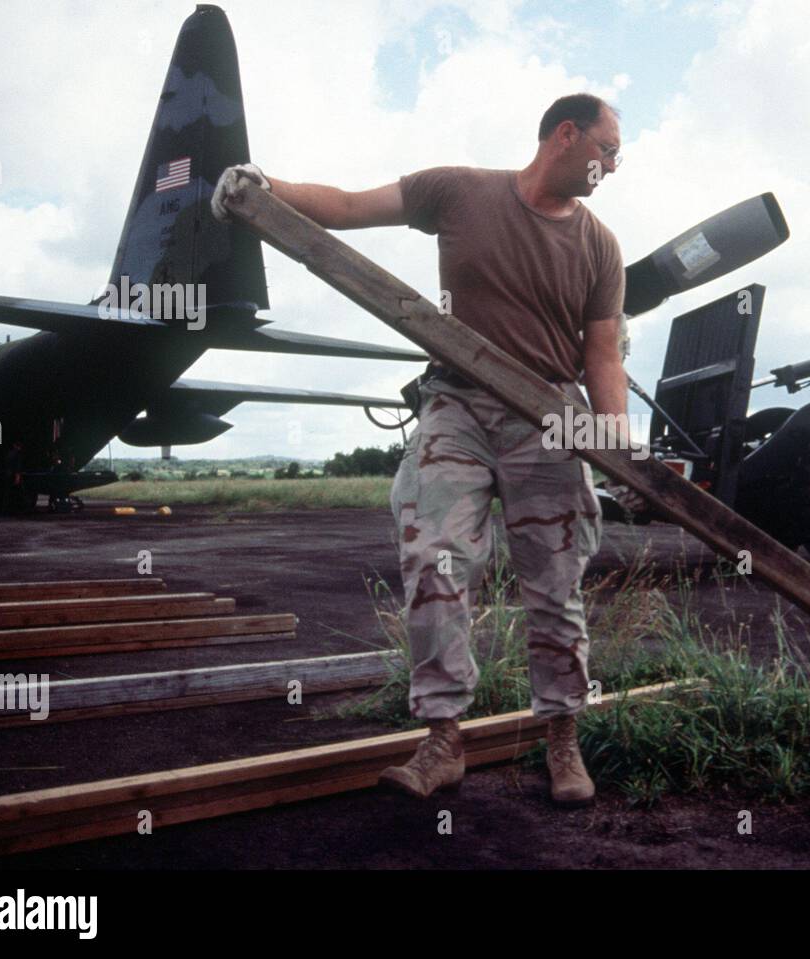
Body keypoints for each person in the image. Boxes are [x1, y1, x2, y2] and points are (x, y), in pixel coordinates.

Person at [212, 93, 643, 806]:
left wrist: (615, 446)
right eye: (609, 150)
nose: (614, 166)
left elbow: (602, 356)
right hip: (457, 403)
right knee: (434, 557)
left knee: (555, 580)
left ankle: (562, 738)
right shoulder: (458, 192)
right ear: (565, 135)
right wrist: (267, 186)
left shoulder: (600, 246)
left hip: (548, 416)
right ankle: (444, 740)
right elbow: (348, 207)